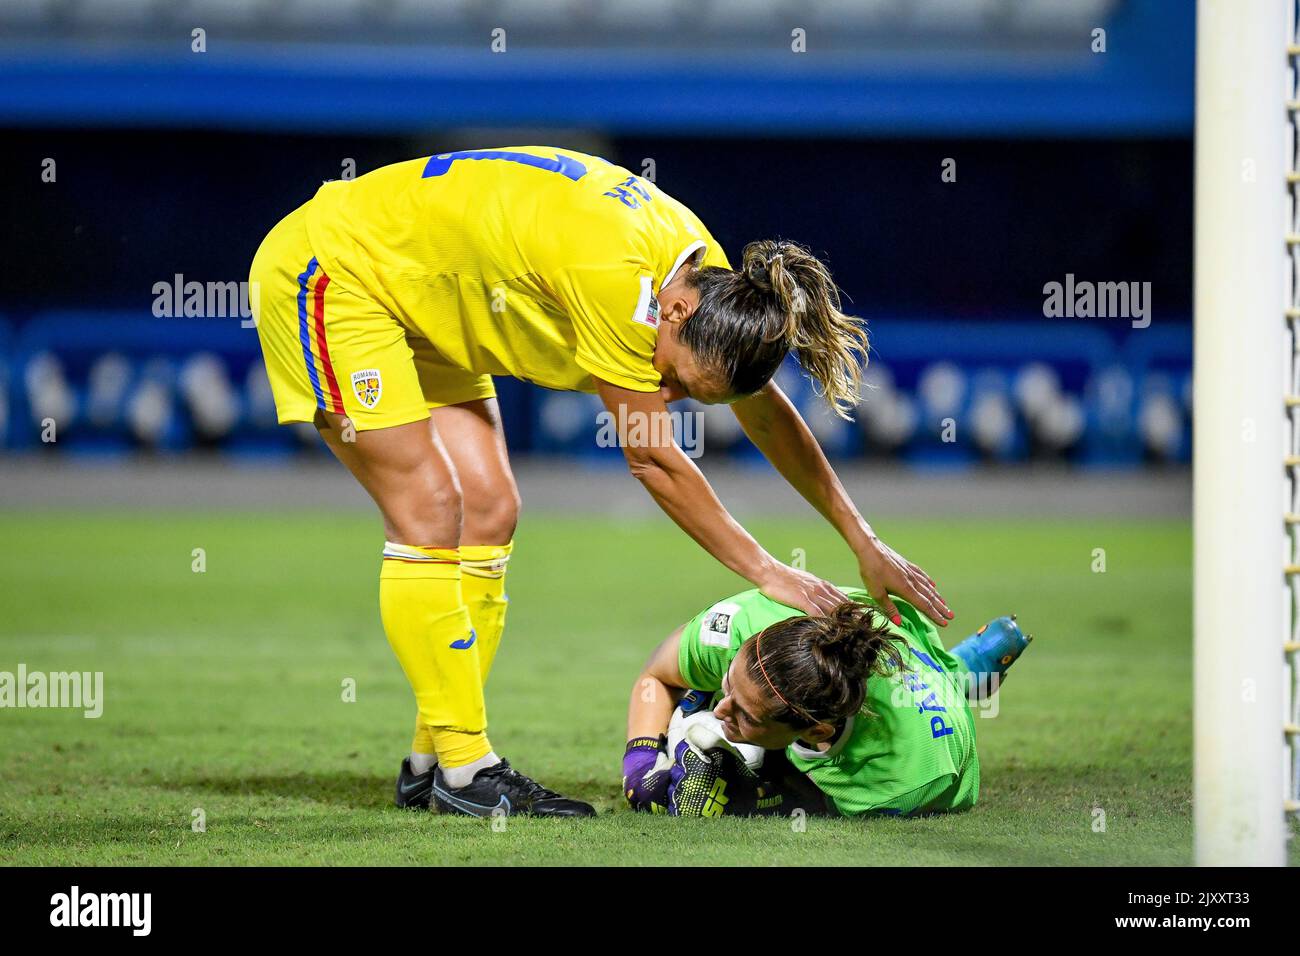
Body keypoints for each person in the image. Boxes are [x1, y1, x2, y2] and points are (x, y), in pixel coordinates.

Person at [248, 145, 951, 818]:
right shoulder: (624, 282)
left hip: (420, 296)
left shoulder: (706, 280)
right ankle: (467, 767)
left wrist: (863, 540)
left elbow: (766, 415)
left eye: (684, 394)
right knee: (430, 509)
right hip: (336, 273)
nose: (666, 392)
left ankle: (432, 768)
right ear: (673, 315)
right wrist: (770, 573)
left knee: (489, 510)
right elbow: (651, 456)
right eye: (673, 377)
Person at [624, 589, 1031, 817]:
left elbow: (807, 797)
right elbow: (656, 675)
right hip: (869, 617)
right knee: (708, 697)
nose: (720, 709)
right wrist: (641, 767)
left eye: (745, 715)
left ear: (817, 729)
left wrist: (758, 797)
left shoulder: (903, 781)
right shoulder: (751, 622)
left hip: (925, 716)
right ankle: (961, 669)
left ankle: (959, 674)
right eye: (729, 685)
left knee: (945, 683)